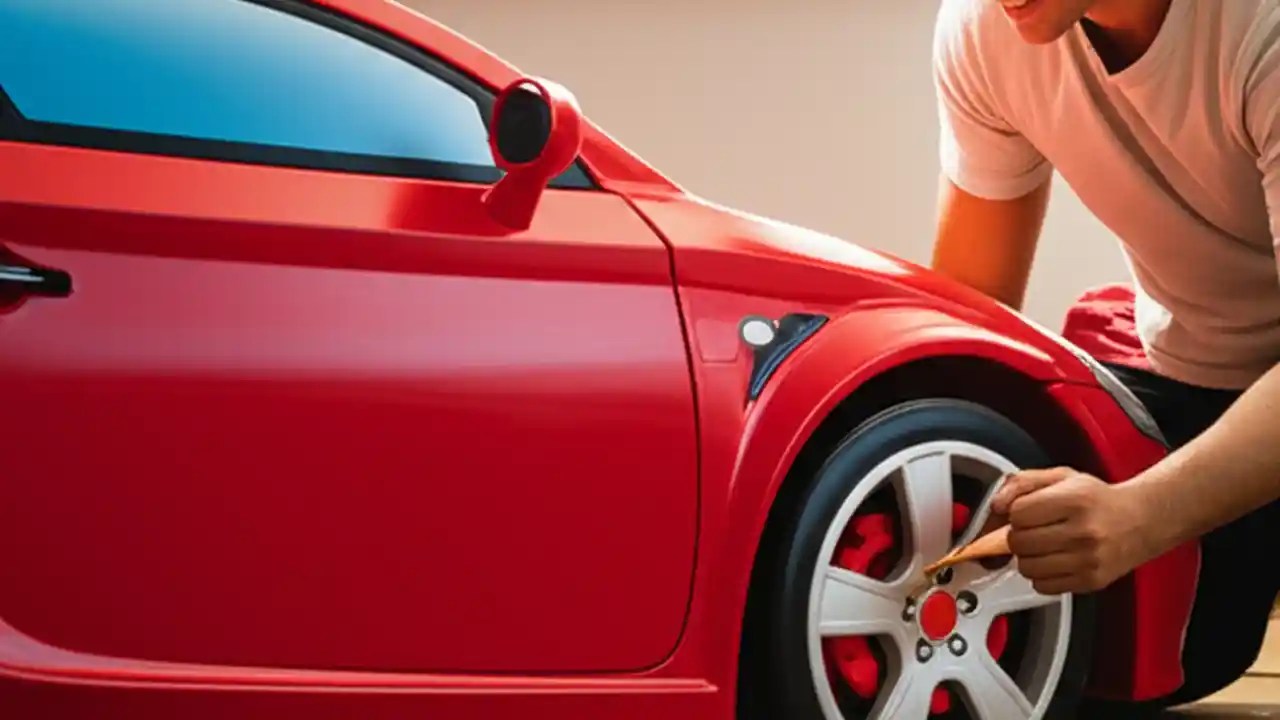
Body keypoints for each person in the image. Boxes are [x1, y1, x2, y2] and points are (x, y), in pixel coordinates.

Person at [930, 0, 1280, 708]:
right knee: (1111, 645)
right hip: (1201, 375)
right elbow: (969, 324)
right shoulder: (983, 30)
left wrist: (1139, 515)